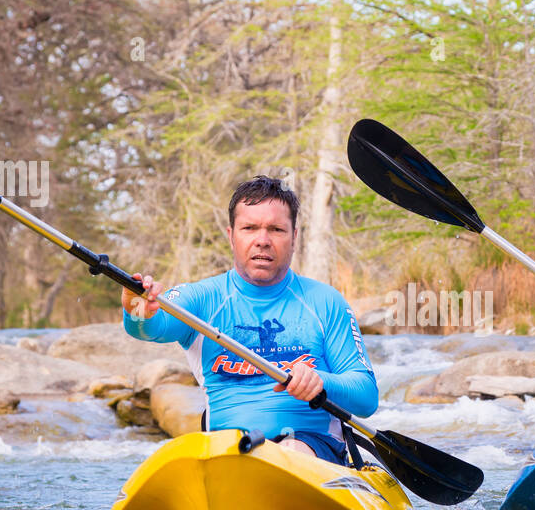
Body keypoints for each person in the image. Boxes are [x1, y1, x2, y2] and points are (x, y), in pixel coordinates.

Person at [121, 176, 377, 464]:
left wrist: (321, 382)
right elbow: (152, 328)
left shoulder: (326, 302)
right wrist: (138, 310)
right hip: (229, 450)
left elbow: (366, 397)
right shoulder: (201, 298)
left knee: (291, 453)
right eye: (250, 228)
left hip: (310, 448)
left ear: (294, 237)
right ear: (232, 235)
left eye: (276, 229)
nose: (262, 240)